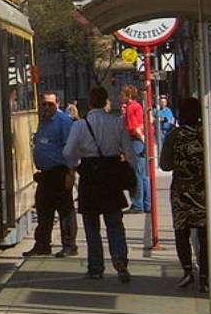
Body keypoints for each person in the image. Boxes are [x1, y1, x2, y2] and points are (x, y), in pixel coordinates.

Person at [64, 85, 138, 282]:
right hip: (112, 174)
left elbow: (68, 152)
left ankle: (96, 267)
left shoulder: (80, 125)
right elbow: (130, 153)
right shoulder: (117, 123)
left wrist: (74, 165)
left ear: (89, 103)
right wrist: (131, 174)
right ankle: (120, 259)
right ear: (106, 102)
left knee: (91, 225)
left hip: (90, 175)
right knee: (114, 222)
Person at [159, 97, 211, 291]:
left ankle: (187, 271)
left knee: (182, 232)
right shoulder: (210, 135)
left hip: (181, 190)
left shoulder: (174, 135)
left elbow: (165, 164)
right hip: (205, 191)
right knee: (205, 234)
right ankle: (205, 275)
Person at [24, 92, 78, 258]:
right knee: (43, 209)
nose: (46, 107)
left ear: (57, 104)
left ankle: (69, 245)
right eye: (44, 104)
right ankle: (42, 245)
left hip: (60, 171)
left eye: (50, 104)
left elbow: (71, 148)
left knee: (65, 210)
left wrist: (71, 172)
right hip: (46, 174)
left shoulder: (63, 122)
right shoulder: (44, 121)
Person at [121, 84, 150, 212]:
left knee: (135, 173)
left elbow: (134, 128)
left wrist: (141, 139)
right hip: (141, 141)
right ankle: (147, 203)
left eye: (122, 95)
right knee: (144, 174)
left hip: (135, 141)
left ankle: (137, 204)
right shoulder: (138, 106)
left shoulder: (131, 108)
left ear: (128, 96)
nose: (120, 97)